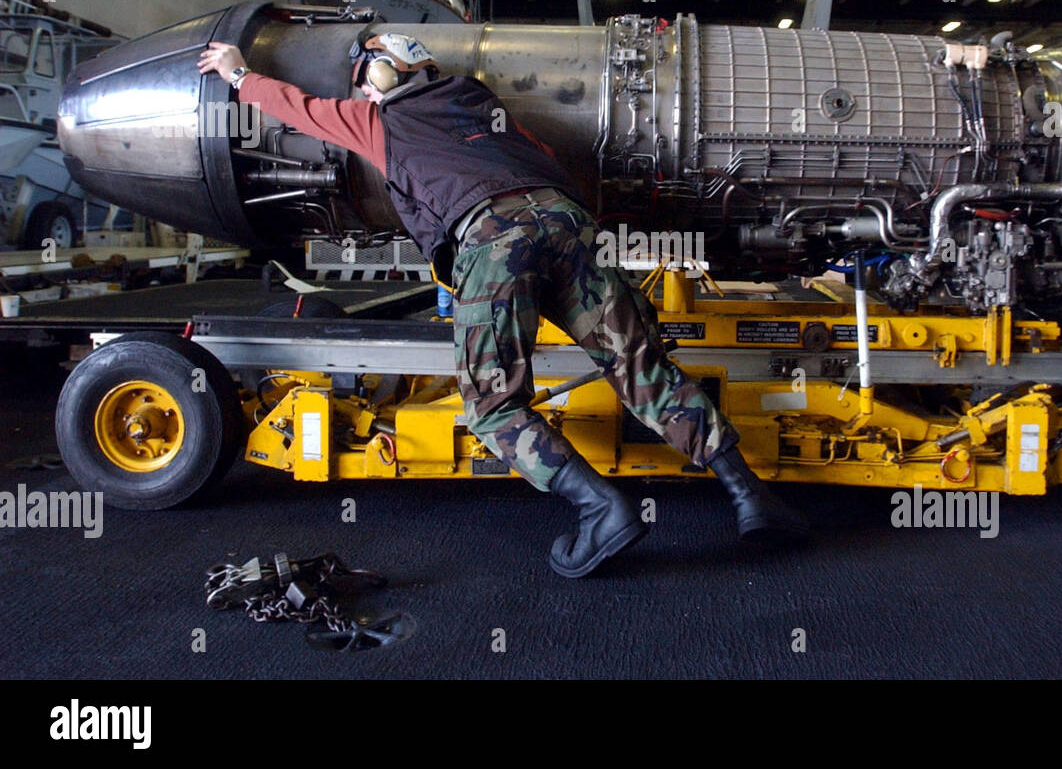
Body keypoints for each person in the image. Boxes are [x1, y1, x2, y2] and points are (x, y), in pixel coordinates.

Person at [198, 34, 809, 578]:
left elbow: (302, 112)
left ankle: (602, 510)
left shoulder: (384, 121)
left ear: (378, 76)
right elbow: (549, 157)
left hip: (493, 238)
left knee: (491, 407)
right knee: (640, 368)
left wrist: (236, 73)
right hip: (570, 224)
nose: (361, 89)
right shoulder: (484, 108)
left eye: (364, 78)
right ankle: (750, 496)